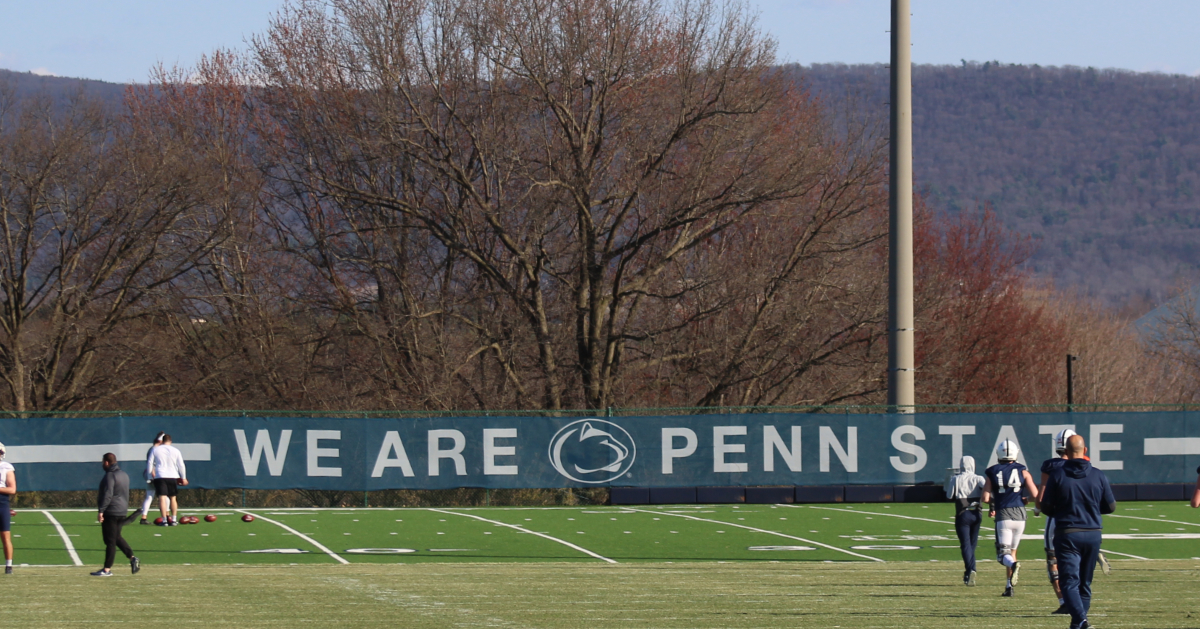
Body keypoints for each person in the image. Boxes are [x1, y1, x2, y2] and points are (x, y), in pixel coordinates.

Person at [1040, 434, 1116, 629]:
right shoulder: (1098, 474)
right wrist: (1089, 509)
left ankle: (1081, 620)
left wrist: (1065, 509)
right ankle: (1079, 622)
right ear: (1085, 450)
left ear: (1065, 452)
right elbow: (1110, 506)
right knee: (1085, 582)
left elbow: (1046, 507)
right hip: (1093, 532)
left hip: (1068, 532)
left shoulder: (1057, 474)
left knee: (1069, 581)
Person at [982, 439, 1039, 598]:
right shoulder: (1023, 471)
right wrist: (1025, 500)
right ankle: (1009, 586)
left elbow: (985, 497)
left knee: (1003, 555)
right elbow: (1035, 495)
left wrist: (996, 501)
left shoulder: (993, 471)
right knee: (1012, 551)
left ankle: (1013, 567)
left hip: (1004, 515)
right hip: (1021, 515)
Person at [94, 453, 139, 577]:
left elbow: (108, 494)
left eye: (103, 462)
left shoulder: (110, 475)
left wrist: (101, 510)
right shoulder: (124, 475)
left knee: (110, 541)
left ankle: (107, 569)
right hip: (122, 510)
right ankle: (132, 558)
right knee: (116, 537)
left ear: (107, 462)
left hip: (112, 511)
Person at [944, 455, 986, 586]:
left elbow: (949, 495)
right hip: (977, 513)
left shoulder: (956, 479)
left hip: (963, 513)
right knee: (972, 544)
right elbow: (987, 492)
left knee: (965, 544)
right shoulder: (979, 478)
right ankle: (969, 572)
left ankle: (970, 569)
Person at [148, 434, 188, 526]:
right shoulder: (176, 450)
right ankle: (174, 520)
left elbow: (150, 463)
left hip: (160, 476)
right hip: (173, 476)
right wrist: (183, 477)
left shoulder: (155, 449)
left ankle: (164, 520)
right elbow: (181, 465)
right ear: (170, 441)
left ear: (162, 441)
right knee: (173, 498)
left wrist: (150, 477)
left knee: (162, 498)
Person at [128, 432, 165, 525]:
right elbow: (151, 463)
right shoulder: (156, 449)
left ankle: (144, 517)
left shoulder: (153, 449)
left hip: (152, 474)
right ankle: (167, 517)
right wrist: (152, 475)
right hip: (156, 475)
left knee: (149, 496)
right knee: (164, 496)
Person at [0, 443, 15, 574]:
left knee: (5, 536)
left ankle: (9, 565)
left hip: (1, 502)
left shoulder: (6, 467)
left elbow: (12, 489)